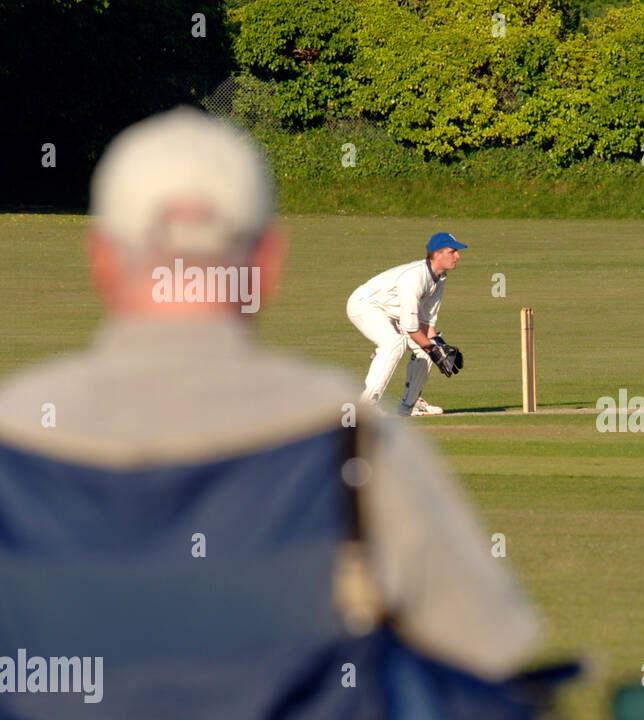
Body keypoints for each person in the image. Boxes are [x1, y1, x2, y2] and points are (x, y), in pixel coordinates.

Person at [0, 106, 539, 682]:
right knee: (395, 354)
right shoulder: (351, 441)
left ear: (100, 259)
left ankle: (408, 399)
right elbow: (488, 660)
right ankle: (386, 398)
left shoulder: (14, 427)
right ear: (267, 264)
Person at [347, 234, 467, 416]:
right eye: (453, 252)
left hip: (393, 314)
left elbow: (427, 326)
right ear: (437, 254)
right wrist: (433, 349)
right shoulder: (415, 278)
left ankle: (409, 407)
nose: (457, 256)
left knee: (428, 350)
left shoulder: (440, 279)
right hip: (366, 305)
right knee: (394, 344)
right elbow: (411, 328)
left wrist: (440, 347)